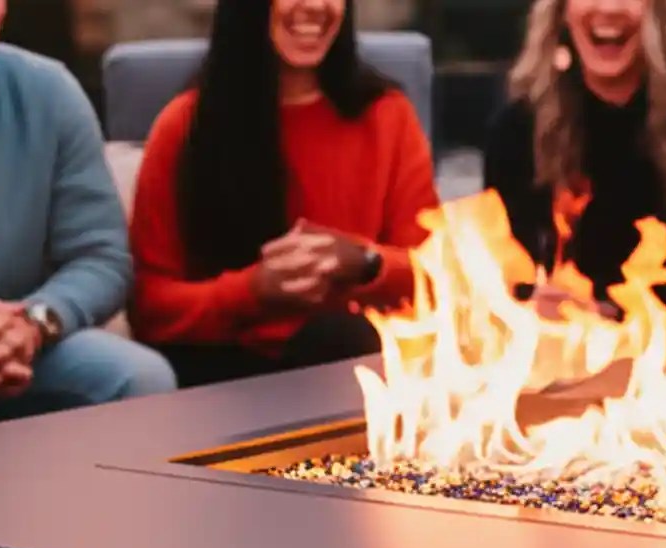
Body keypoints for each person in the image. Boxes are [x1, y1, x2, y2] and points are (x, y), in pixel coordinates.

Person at [0, 1, 177, 548]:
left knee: (139, 380)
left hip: (25, 349)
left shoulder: (47, 91)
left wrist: (35, 324)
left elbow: (100, 257)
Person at [129, 0, 441, 388]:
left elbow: (434, 275)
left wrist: (366, 261)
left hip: (355, 365)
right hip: (222, 370)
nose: (314, 5)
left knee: (344, 339)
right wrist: (251, 290)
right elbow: (149, 307)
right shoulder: (184, 125)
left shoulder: (387, 116)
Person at [482, 0, 666, 320]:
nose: (609, 7)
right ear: (561, 10)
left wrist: (609, 313)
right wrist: (534, 301)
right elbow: (501, 274)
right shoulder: (518, 125)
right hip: (549, 345)